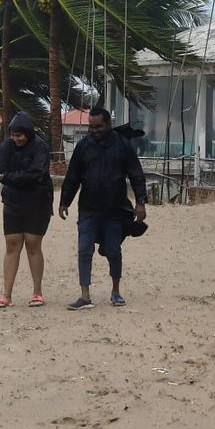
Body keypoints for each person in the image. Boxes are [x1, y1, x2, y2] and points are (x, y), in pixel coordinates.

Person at [58, 106, 147, 310]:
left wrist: (140, 201)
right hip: (88, 208)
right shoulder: (83, 147)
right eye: (91, 127)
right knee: (84, 250)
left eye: (98, 126)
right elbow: (72, 177)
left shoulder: (123, 145)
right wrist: (65, 201)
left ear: (108, 124)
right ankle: (85, 295)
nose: (94, 130)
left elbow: (136, 174)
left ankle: (115, 291)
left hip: (114, 210)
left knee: (114, 251)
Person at [0, 112, 54, 309]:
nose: (16, 139)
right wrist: (13, 176)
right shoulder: (7, 146)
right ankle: (6, 295)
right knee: (12, 243)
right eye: (13, 135)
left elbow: (36, 173)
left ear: (28, 133)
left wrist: (9, 177)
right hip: (13, 201)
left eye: (19, 135)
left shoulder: (40, 146)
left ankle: (37, 292)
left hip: (38, 201)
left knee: (33, 243)